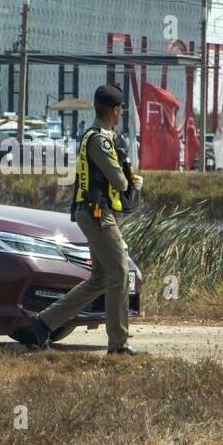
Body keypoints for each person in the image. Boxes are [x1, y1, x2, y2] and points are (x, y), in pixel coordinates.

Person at [30, 83, 143, 355]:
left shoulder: (94, 135)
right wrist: (133, 181)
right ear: (115, 111)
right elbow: (117, 179)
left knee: (101, 278)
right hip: (98, 214)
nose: (120, 114)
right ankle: (118, 344)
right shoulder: (100, 140)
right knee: (120, 274)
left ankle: (44, 322)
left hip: (92, 212)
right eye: (120, 110)